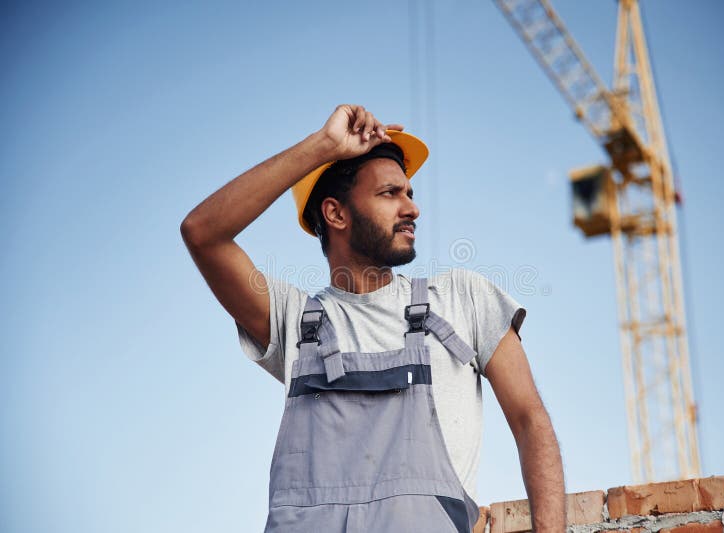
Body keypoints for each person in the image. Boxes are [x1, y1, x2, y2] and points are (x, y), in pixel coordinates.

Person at [180, 104, 566, 533]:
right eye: (390, 194)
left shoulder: (462, 298)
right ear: (336, 213)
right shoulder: (295, 321)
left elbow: (531, 420)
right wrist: (322, 147)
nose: (411, 209)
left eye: (410, 193)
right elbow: (202, 232)